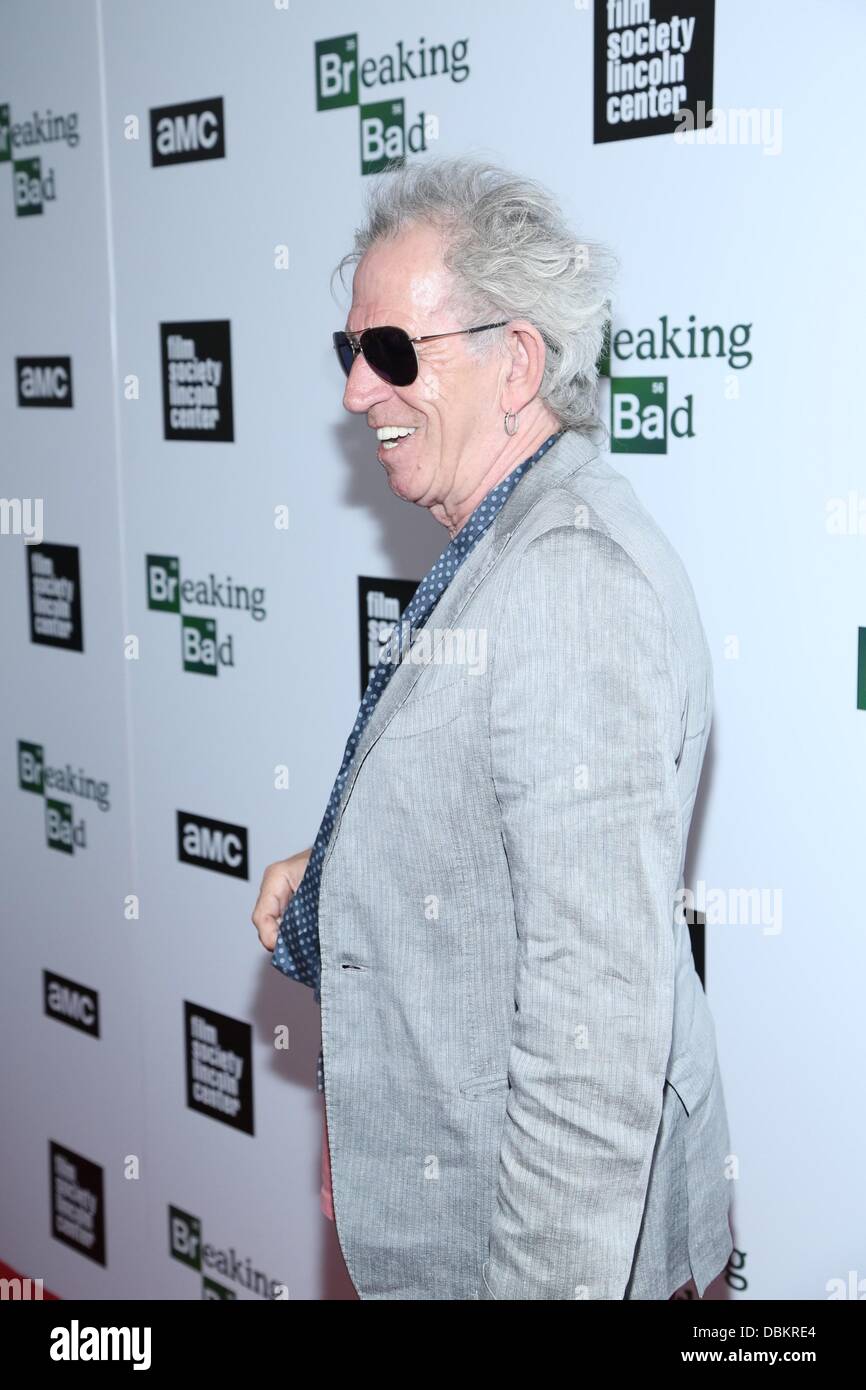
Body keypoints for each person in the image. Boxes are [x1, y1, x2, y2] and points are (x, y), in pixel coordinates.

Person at [252, 155, 734, 1300]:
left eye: (390, 354)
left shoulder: (566, 581)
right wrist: (345, 876)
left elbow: (590, 1045)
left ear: (513, 363)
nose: (355, 394)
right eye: (348, 353)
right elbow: (508, 855)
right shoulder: (504, 542)